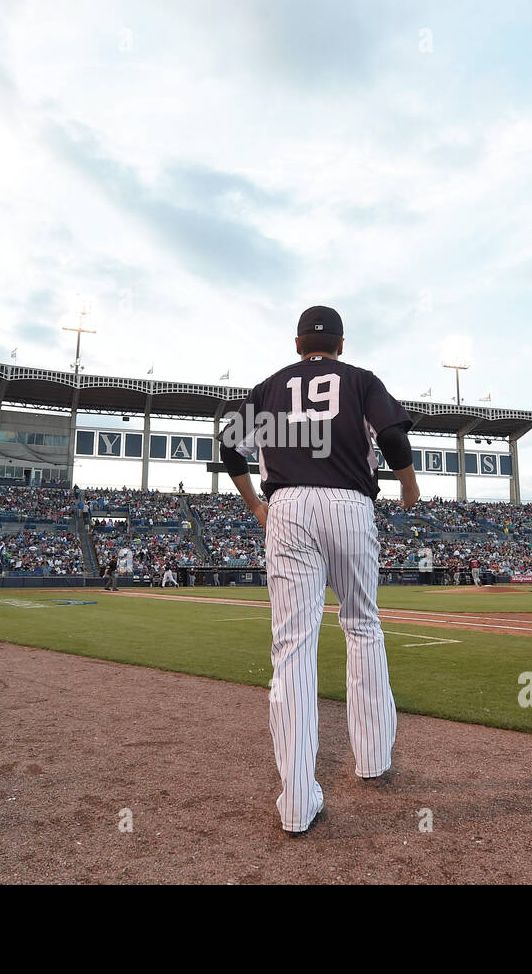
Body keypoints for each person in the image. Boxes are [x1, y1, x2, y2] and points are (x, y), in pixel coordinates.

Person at [219, 304, 420, 835]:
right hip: (351, 505)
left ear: (297, 343)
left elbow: (227, 446)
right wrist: (409, 484)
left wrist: (255, 506)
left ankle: (296, 803)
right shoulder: (359, 380)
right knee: (362, 627)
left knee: (292, 647)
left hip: (286, 507)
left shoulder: (268, 387)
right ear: (341, 345)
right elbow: (395, 439)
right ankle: (373, 759)